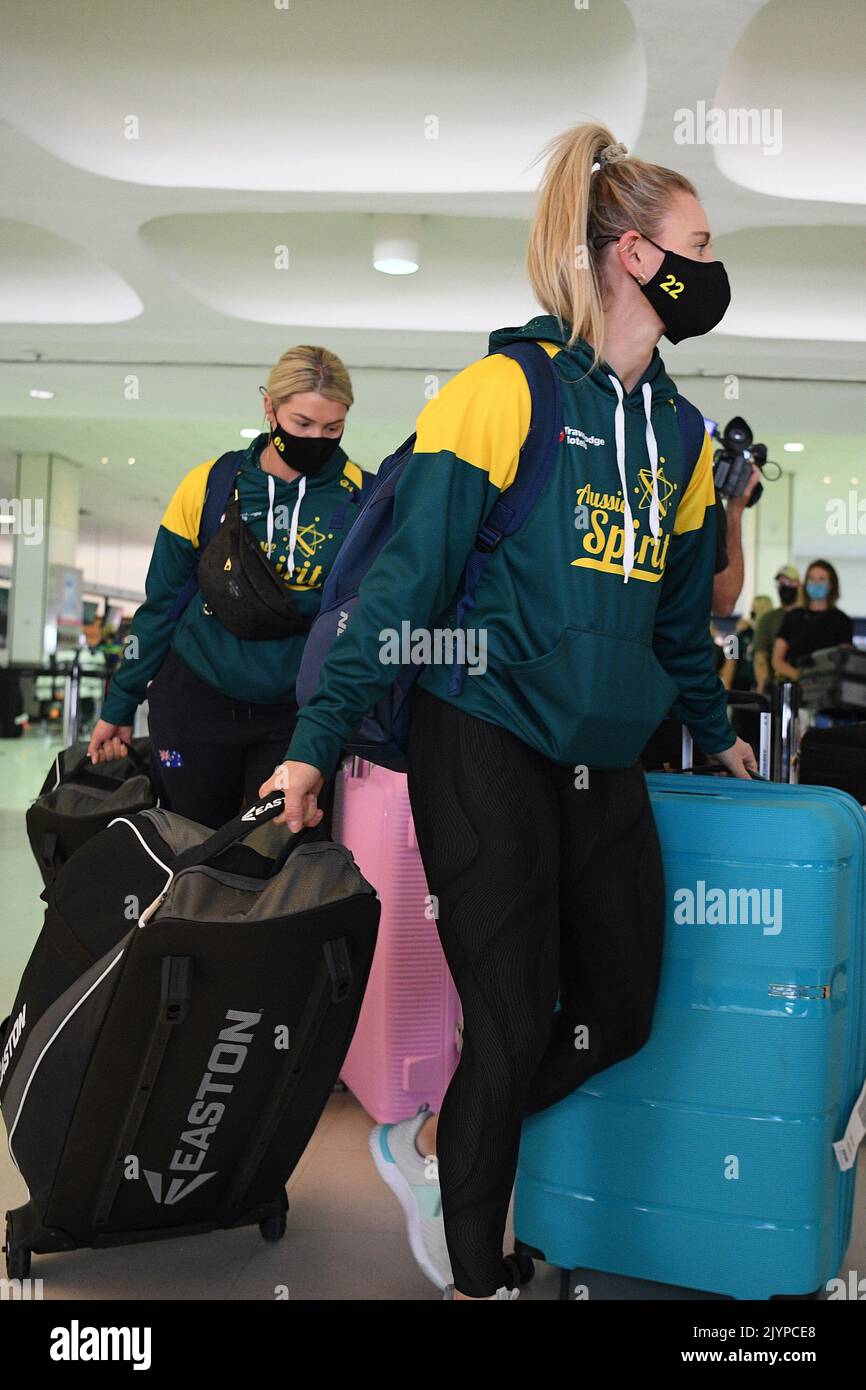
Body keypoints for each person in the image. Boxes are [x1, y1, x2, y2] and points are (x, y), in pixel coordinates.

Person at [261, 123, 756, 1301]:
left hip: (601, 750)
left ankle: (431, 1139)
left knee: (618, 1007)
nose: (711, 268)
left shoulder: (680, 438)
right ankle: (476, 1270)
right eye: (697, 246)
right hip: (479, 733)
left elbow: (677, 623)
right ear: (635, 256)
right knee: (509, 1011)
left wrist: (716, 725)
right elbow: (401, 593)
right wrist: (312, 747)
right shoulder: (499, 392)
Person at [86, 345, 368, 828]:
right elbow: (161, 607)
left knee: (281, 854)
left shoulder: (362, 496)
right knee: (189, 844)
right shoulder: (210, 485)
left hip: (297, 715)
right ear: (269, 408)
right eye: (302, 424)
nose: (316, 440)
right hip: (196, 701)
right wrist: (120, 703)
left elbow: (362, 621)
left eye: (332, 428)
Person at [772, 559, 853, 682]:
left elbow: (845, 661)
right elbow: (777, 660)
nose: (816, 583)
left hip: (827, 686)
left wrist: (820, 681)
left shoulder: (842, 620)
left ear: (831, 585)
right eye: (812, 578)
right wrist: (801, 677)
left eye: (821, 579)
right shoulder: (792, 617)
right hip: (795, 685)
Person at [752, 564, 801, 694]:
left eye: (788, 582)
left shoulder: (807, 616)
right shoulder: (768, 620)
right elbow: (760, 656)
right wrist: (762, 684)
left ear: (798, 584)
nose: (784, 586)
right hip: (776, 685)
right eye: (780, 583)